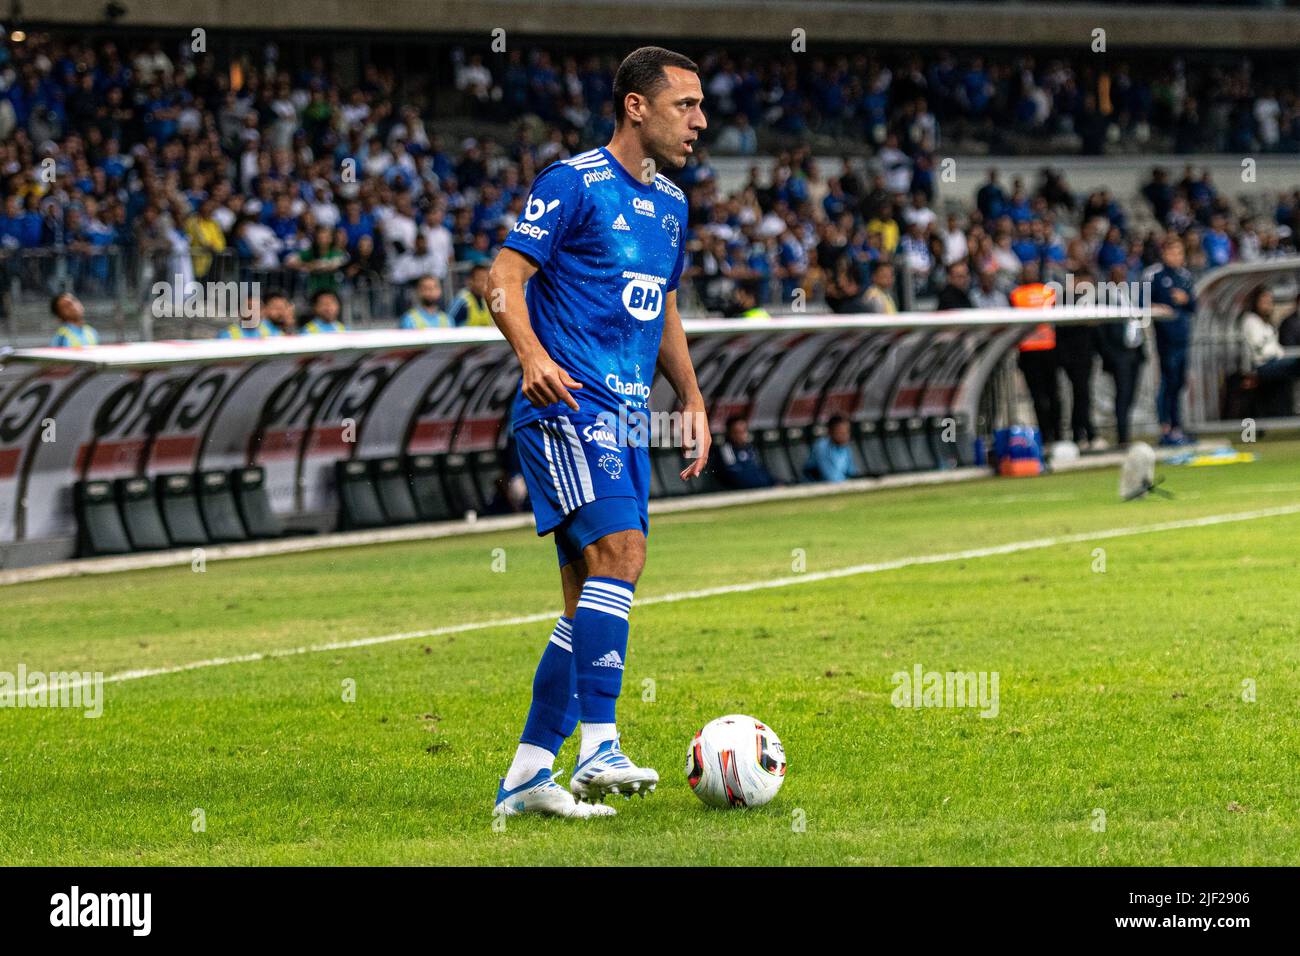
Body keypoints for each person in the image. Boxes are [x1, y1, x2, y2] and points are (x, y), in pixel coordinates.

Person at [487, 46, 708, 819]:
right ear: (636, 108)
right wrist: (532, 357)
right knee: (624, 556)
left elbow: (665, 304)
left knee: (589, 592)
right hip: (568, 407)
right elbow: (503, 282)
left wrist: (692, 398)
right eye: (686, 105)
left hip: (625, 415)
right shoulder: (572, 183)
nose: (700, 121)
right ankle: (599, 745)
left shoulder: (673, 206)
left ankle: (526, 777)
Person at [1149, 235, 1196, 445]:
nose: (1177, 257)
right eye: (1173, 252)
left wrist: (1187, 300)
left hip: (1183, 336)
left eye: (1180, 252)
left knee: (1179, 383)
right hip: (1165, 338)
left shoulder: (1185, 276)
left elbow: (1194, 306)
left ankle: (1178, 426)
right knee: (1167, 383)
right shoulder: (1155, 276)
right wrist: (1157, 308)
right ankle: (1166, 427)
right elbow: (1144, 302)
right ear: (1164, 253)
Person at [1095, 268, 1147, 446]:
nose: (1122, 276)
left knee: (1131, 394)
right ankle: (1122, 437)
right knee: (1122, 394)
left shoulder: (1132, 294)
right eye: (1117, 273)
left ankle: (1125, 432)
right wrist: (1109, 354)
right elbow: (1101, 329)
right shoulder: (1104, 297)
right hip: (1119, 354)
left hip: (1135, 351)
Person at [1240, 287, 1300, 385]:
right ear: (1256, 302)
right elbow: (1261, 350)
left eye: (1270, 302)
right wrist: (1278, 354)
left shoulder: (1265, 322)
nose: (1268, 305)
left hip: (1272, 362)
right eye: (1264, 302)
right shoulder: (1251, 321)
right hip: (1262, 366)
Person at [717, 416, 774, 489]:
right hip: (742, 490)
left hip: (762, 486)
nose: (741, 435)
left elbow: (760, 469)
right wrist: (764, 485)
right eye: (737, 432)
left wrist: (774, 482)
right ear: (730, 433)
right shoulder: (726, 450)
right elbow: (736, 476)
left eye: (743, 431)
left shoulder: (750, 448)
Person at [804, 415, 856, 482]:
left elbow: (852, 473)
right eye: (841, 432)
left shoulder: (846, 449)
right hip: (815, 488)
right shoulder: (821, 448)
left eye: (847, 432)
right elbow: (832, 478)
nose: (845, 435)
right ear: (830, 432)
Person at [447, 263, 494, 327]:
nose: (485, 284)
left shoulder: (487, 302)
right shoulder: (462, 301)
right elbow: (448, 323)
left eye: (487, 280)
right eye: (481, 280)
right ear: (470, 281)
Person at [216, 294, 281, 339]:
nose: (255, 312)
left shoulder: (272, 331)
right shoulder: (227, 335)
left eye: (258, 308)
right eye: (250, 308)